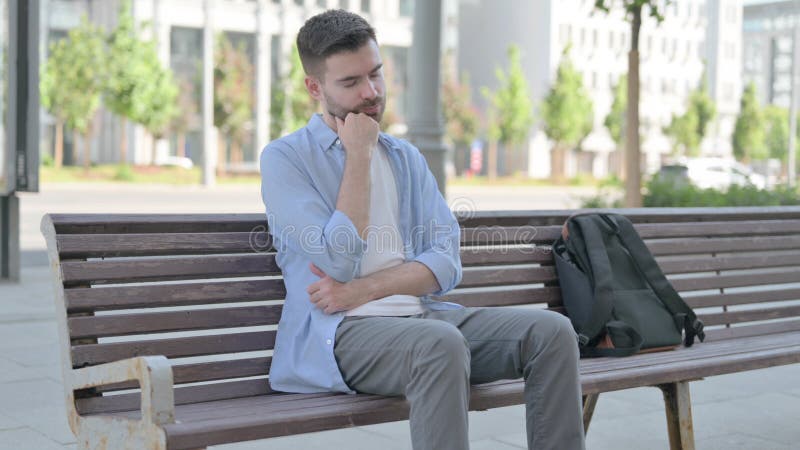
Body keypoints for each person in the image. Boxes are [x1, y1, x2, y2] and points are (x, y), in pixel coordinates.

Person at [259, 9, 585, 450]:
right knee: (439, 344)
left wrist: (363, 289)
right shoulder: (286, 160)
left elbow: (445, 261)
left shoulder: (405, 158)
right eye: (351, 83)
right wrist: (357, 157)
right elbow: (337, 258)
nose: (371, 92)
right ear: (315, 87)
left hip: (424, 319)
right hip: (338, 336)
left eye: (375, 74)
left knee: (551, 333)